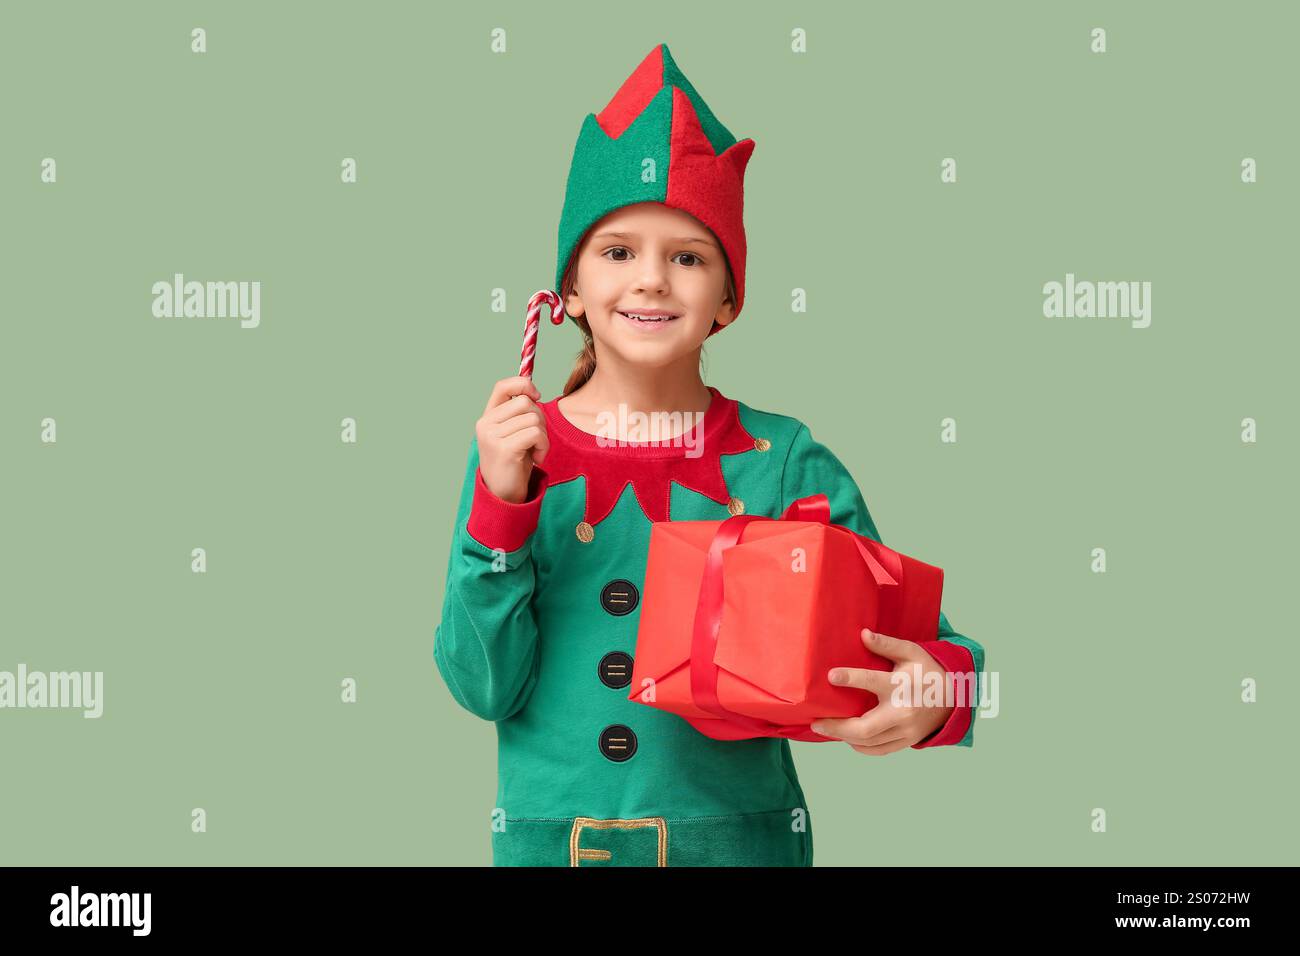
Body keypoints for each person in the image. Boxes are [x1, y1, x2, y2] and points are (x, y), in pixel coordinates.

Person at [434, 42, 984, 867]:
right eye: (618, 251)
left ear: (728, 296)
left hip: (738, 850)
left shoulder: (782, 458)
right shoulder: (516, 456)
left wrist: (942, 692)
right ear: (571, 288)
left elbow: (944, 651)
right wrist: (500, 512)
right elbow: (483, 688)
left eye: (687, 256)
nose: (652, 280)